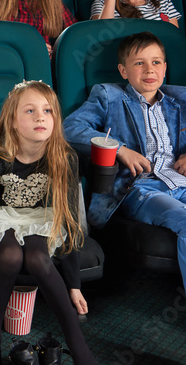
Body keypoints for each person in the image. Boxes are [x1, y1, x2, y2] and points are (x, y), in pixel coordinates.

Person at [0, 81, 95, 365]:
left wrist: (74, 284)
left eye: (47, 110)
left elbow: (69, 221)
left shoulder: (65, 158)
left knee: (38, 259)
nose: (40, 117)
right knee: (10, 256)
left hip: (38, 218)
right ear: (13, 121)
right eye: (30, 111)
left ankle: (80, 351)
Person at [63, 31, 186, 291]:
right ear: (123, 70)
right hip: (140, 188)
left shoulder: (180, 99)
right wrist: (119, 148)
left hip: (180, 181)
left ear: (165, 68)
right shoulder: (109, 96)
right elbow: (70, 128)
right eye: (139, 63)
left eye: (156, 62)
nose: (149, 69)